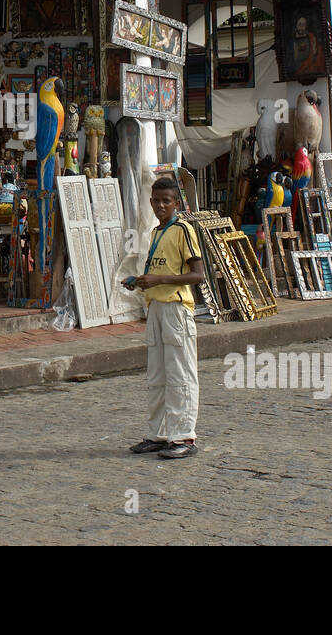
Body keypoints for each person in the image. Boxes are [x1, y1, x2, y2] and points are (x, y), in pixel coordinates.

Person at [121, 177, 204, 460]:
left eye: (166, 201)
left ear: (176, 203)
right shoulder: (156, 233)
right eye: (156, 201)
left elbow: (198, 275)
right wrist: (141, 281)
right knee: (157, 374)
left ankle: (184, 436)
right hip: (155, 306)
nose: (160, 206)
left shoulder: (183, 230)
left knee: (180, 374)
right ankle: (159, 434)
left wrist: (159, 279)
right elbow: (160, 268)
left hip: (176, 309)